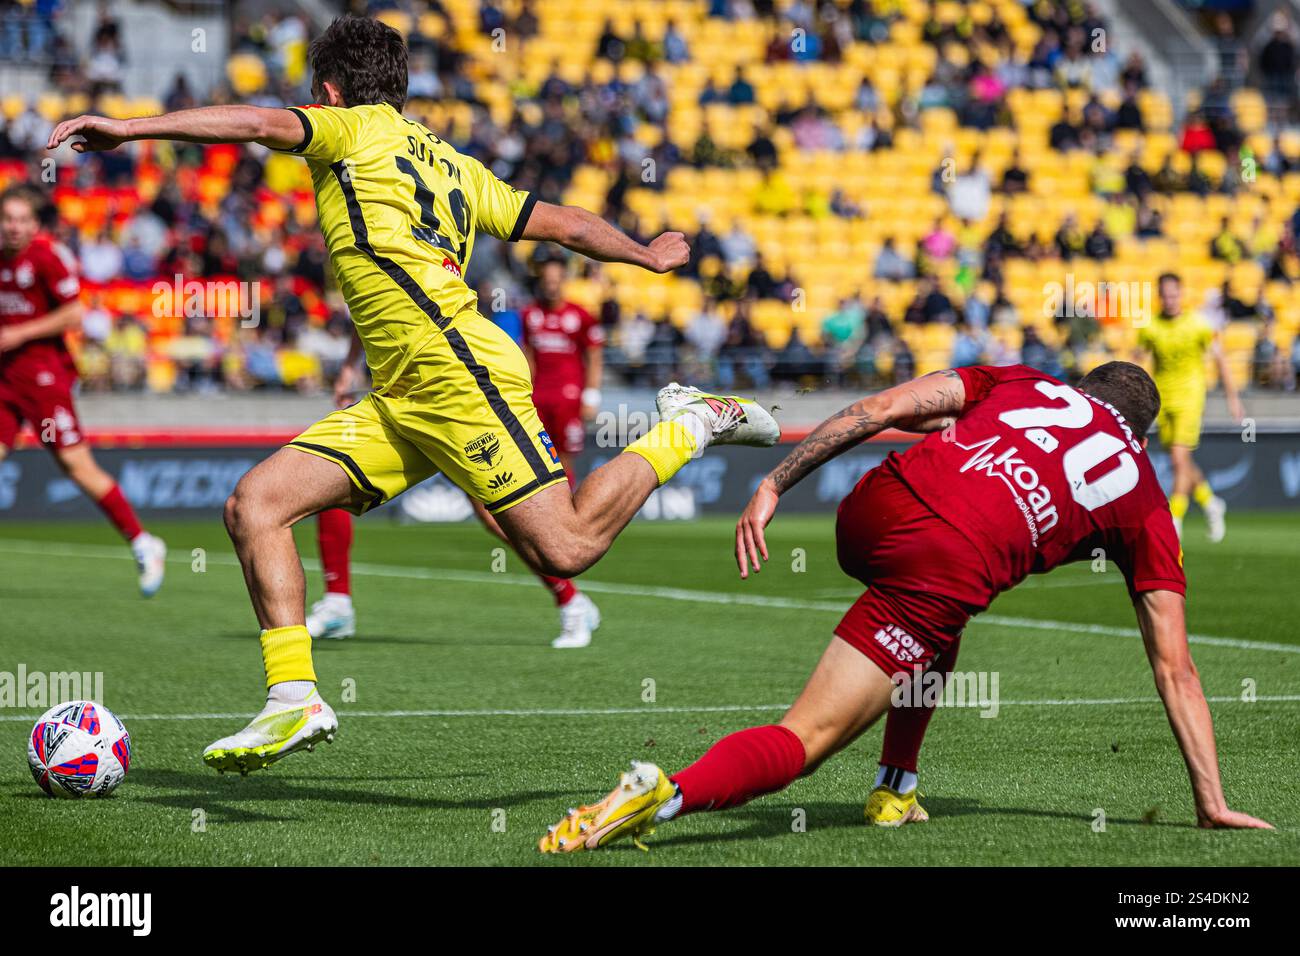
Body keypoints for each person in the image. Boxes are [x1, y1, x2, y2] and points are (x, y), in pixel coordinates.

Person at [47, 14, 779, 775]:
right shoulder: (454, 165)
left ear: (328, 91)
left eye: (315, 96)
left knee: (565, 546)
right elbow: (553, 220)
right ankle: (294, 697)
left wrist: (129, 128)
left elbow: (259, 122)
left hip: (459, 371)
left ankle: (691, 422)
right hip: (403, 392)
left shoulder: (351, 129)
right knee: (256, 505)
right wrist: (643, 254)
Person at [538, 362, 1271, 852]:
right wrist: (1210, 799)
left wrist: (773, 485)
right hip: (940, 565)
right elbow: (1175, 668)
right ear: (1140, 437)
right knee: (807, 739)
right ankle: (663, 795)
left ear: (1080, 389)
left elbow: (881, 408)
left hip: (871, 512)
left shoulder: (1026, 382)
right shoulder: (1144, 497)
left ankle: (896, 788)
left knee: (948, 618)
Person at [0, 185, 166, 596]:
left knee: (78, 467)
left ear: (34, 224)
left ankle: (143, 541)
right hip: (4, 380)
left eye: (22, 219)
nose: (14, 227)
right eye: (8, 219)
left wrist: (20, 333)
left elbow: (75, 313)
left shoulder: (47, 257)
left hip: (44, 379)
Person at [1134, 273, 1243, 540]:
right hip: (1162, 400)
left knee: (1178, 459)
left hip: (1191, 398)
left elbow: (1221, 359)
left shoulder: (1198, 325)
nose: (1170, 300)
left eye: (1174, 295)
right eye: (1165, 295)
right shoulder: (1151, 327)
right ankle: (1211, 503)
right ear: (1160, 296)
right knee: (1181, 462)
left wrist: (1233, 398)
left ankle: (1175, 519)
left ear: (1181, 295)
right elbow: (1136, 360)